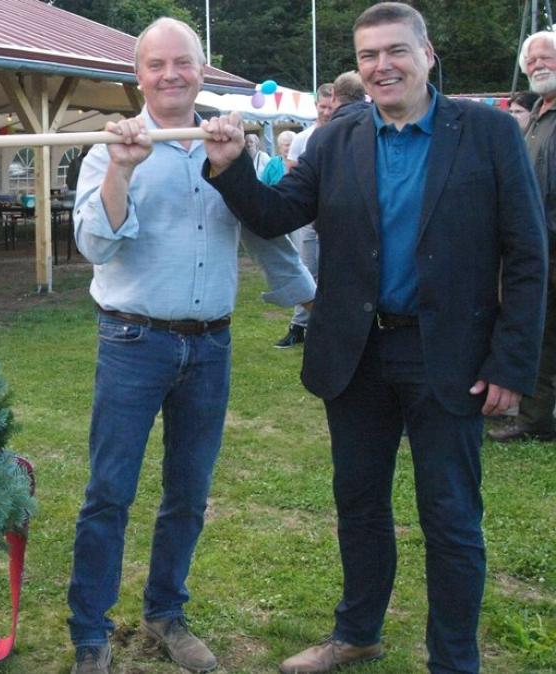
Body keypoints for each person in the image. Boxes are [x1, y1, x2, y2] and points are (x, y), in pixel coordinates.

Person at [201, 3, 546, 672]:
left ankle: (454, 659)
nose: (382, 66)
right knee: (358, 504)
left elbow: (527, 256)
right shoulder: (338, 137)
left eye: (395, 51)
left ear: (427, 54)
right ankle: (357, 632)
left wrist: (511, 361)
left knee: (450, 517)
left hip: (449, 357)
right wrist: (232, 165)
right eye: (368, 56)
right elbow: (276, 215)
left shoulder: (487, 134)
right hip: (356, 354)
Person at [68, 17, 316, 674]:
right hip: (133, 341)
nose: (171, 75)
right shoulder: (107, 150)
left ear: (203, 72)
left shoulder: (229, 144)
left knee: (188, 491)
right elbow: (94, 245)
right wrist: (122, 170)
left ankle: (165, 613)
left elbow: (267, 230)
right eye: (157, 65)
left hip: (210, 349)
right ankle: (91, 631)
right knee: (109, 490)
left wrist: (312, 300)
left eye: (184, 63)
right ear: (138, 74)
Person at [491, 32, 556, 442]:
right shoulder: (537, 115)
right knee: (541, 333)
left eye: (545, 56)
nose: (536, 64)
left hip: (549, 244)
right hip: (535, 249)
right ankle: (533, 417)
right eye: (530, 59)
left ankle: (534, 421)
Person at [272, 84, 334, 349]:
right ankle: (299, 326)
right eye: (323, 106)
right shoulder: (303, 138)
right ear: (316, 106)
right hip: (308, 217)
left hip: (337, 216)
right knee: (307, 268)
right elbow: (292, 180)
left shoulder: (346, 136)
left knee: (335, 272)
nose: (327, 111)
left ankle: (329, 330)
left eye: (332, 107)